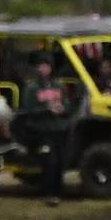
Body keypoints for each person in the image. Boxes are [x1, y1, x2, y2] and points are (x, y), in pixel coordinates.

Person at [17, 52, 72, 202]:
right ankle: (48, 193)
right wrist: (46, 109)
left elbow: (67, 105)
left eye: (47, 66)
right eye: (41, 66)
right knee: (50, 160)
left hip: (59, 129)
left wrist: (61, 108)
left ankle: (58, 190)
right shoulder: (31, 88)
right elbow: (28, 110)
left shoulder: (59, 86)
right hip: (40, 130)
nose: (44, 69)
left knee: (61, 160)